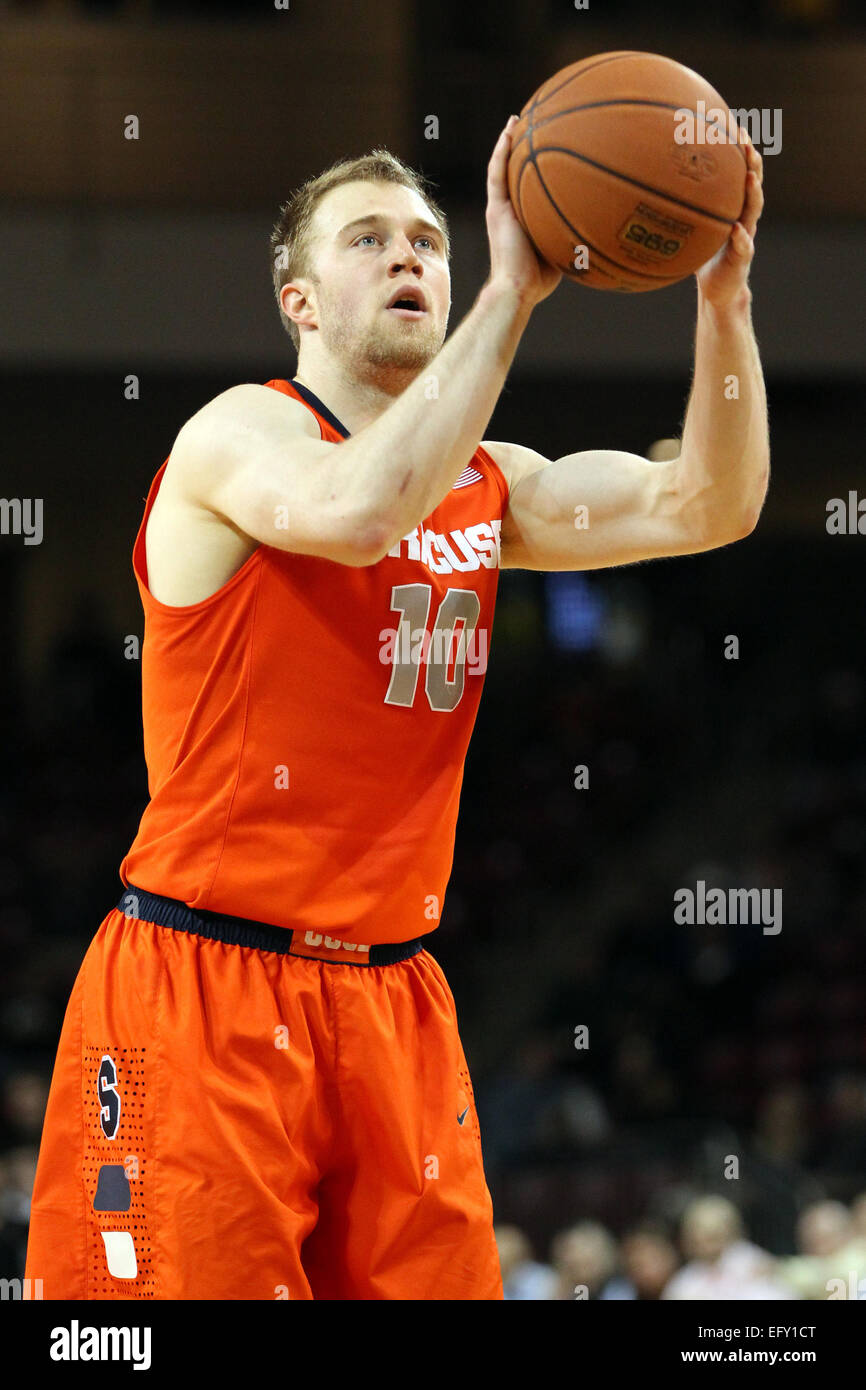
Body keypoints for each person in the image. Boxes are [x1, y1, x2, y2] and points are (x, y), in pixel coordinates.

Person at [24, 114, 767, 1300]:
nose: (410, 257)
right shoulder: (237, 434)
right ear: (299, 301)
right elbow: (359, 511)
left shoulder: (491, 484)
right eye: (367, 241)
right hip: (203, 986)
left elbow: (703, 505)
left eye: (427, 240)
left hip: (390, 996)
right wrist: (511, 299)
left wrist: (721, 303)